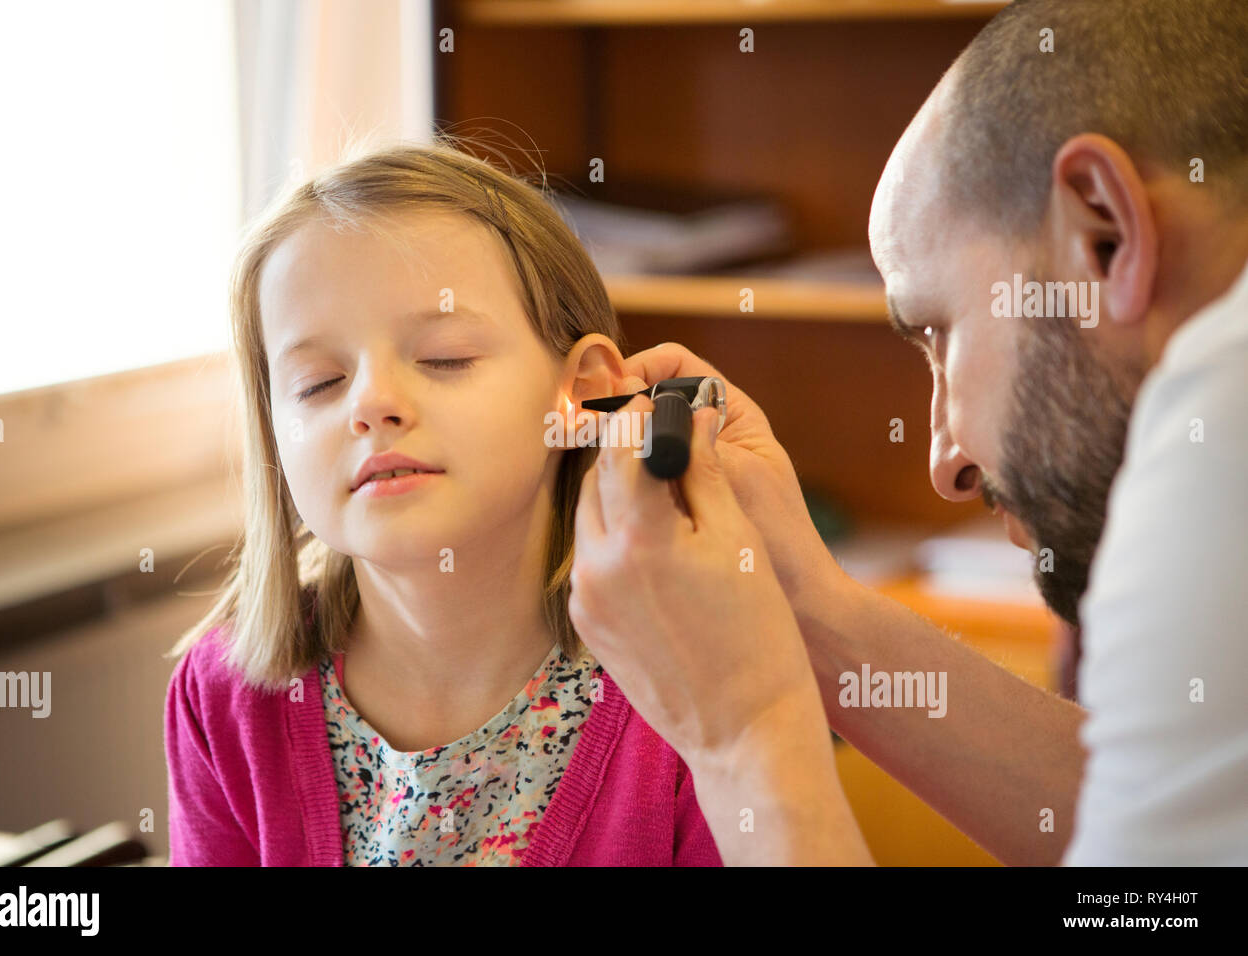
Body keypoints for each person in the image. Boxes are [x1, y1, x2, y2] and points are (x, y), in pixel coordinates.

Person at [567, 0, 1248, 865]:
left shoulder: (1219, 457)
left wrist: (742, 731)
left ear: (1104, 234)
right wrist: (806, 605)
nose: (946, 462)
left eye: (938, 332)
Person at [163, 139, 721, 865]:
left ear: (583, 393)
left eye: (444, 358)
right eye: (319, 383)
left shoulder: (691, 688)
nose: (371, 405)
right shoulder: (224, 697)